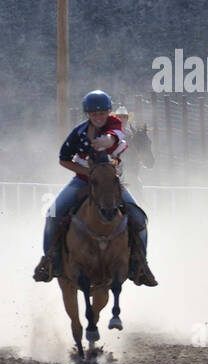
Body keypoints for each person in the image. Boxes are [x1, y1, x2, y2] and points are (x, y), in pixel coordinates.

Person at [33, 89, 158, 285]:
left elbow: (113, 135)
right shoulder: (78, 133)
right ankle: (50, 261)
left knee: (138, 217)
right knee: (52, 214)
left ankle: (140, 265)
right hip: (82, 181)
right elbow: (63, 159)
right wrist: (88, 174)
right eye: (93, 114)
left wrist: (106, 141)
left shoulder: (115, 124)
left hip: (112, 184)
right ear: (88, 115)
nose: (98, 117)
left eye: (102, 113)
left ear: (109, 112)